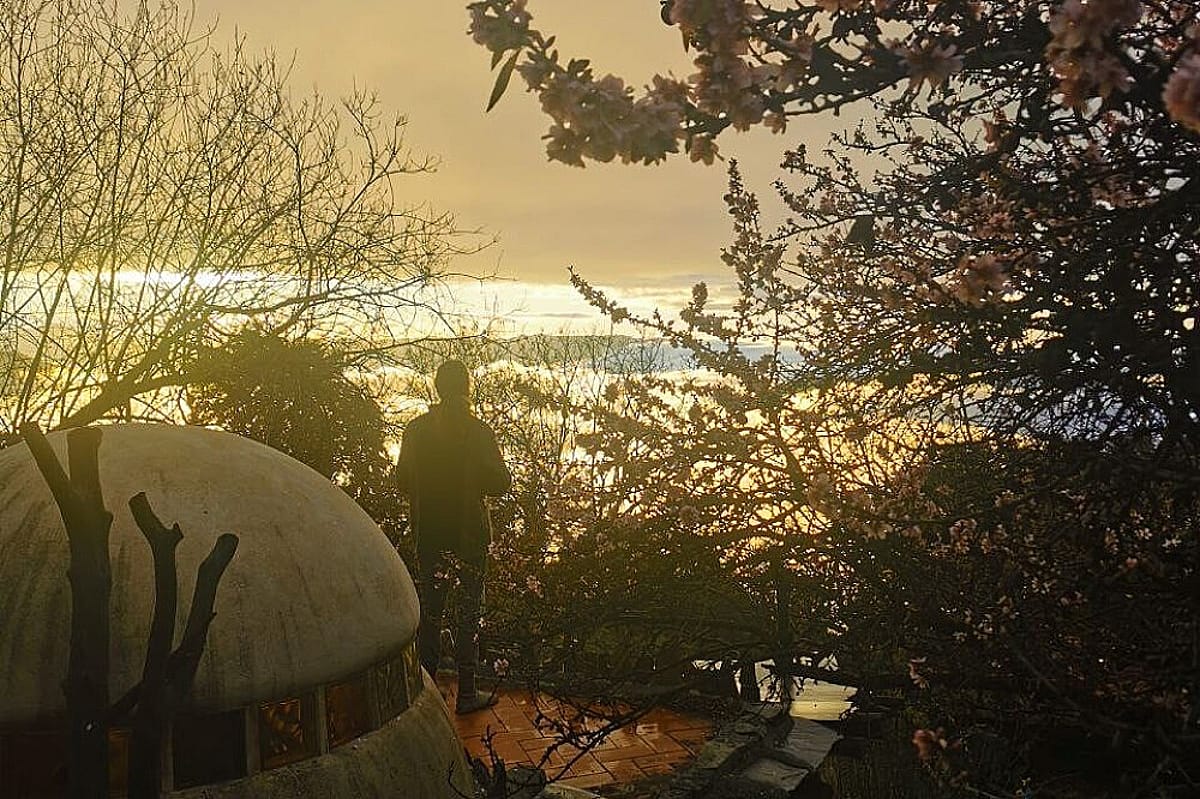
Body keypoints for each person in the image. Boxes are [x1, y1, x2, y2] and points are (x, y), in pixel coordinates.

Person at [396, 359, 511, 714]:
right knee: (468, 614)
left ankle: (426, 694)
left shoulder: (415, 431)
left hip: (429, 535)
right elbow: (501, 483)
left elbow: (402, 482)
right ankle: (466, 692)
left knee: (430, 614)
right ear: (467, 389)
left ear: (437, 387)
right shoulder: (478, 432)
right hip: (469, 538)